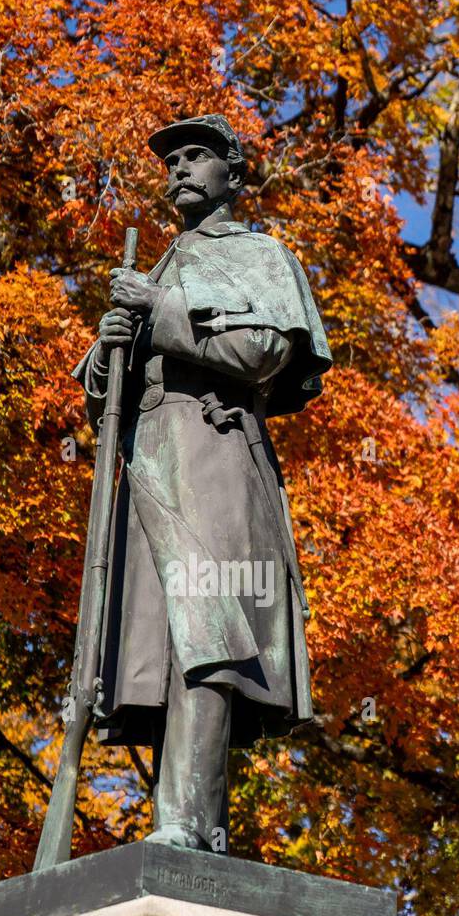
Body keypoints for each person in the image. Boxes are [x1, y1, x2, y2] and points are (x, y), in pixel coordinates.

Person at [73, 113, 331, 851]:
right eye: (171, 161)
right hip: (149, 456)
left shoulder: (259, 256)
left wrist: (158, 312)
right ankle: (184, 821)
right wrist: (107, 350)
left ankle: (186, 824)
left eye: (196, 157)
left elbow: (264, 351)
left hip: (214, 453)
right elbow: (104, 394)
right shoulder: (153, 266)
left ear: (233, 174)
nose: (179, 169)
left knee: (207, 633)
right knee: (152, 648)